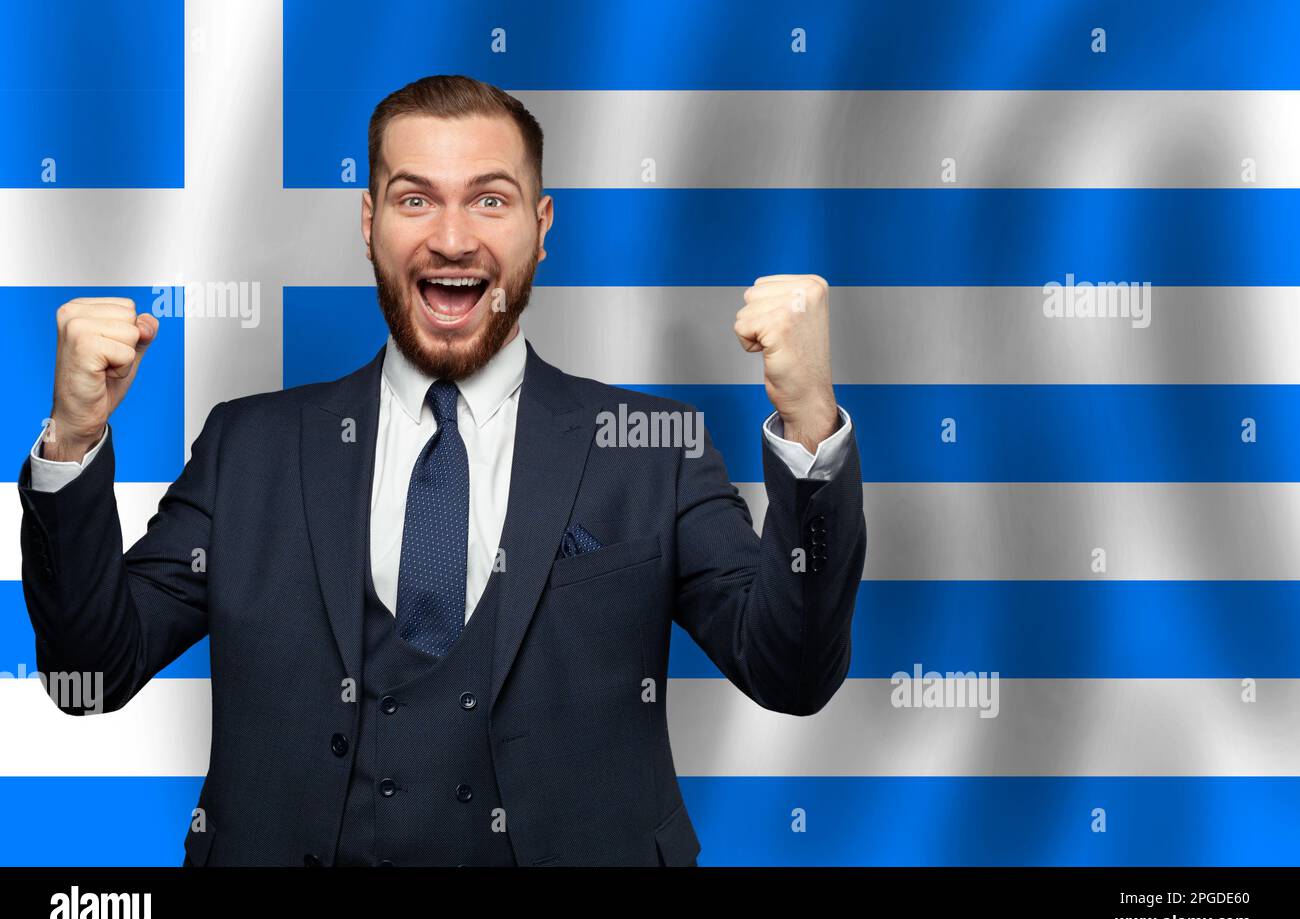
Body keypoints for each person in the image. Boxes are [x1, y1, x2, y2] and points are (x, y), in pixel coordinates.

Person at [17, 74, 866, 866]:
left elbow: (790, 675)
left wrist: (809, 421)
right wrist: (73, 440)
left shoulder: (650, 446)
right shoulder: (248, 447)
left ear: (541, 227)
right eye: (414, 198)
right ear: (369, 223)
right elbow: (89, 678)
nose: (452, 239)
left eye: (490, 199)